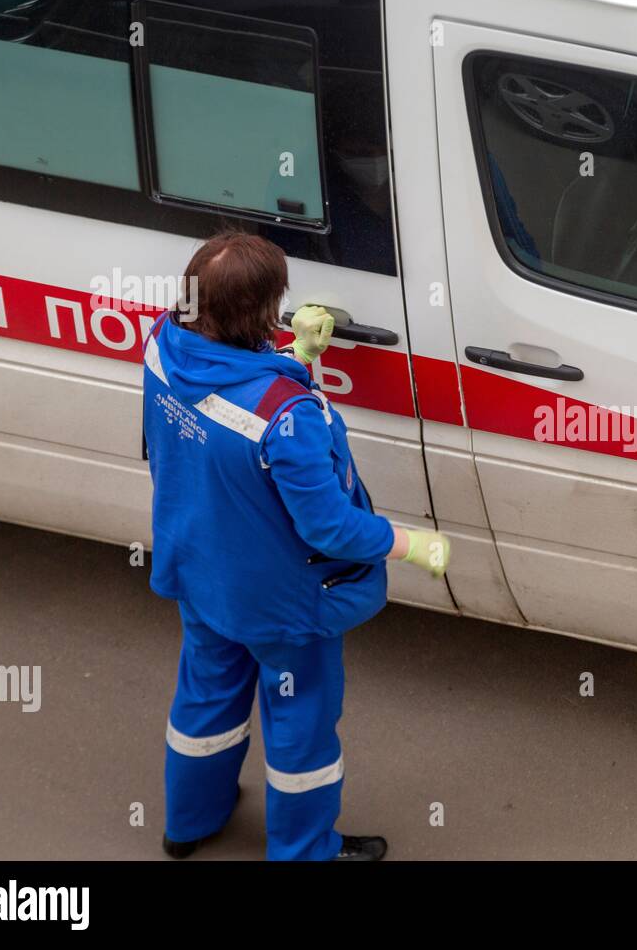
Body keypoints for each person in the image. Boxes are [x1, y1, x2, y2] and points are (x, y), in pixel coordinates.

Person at [141, 232, 450, 861]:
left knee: (206, 696)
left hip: (200, 572)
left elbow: (226, 404)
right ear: (261, 312)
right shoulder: (287, 415)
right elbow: (330, 527)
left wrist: (294, 357)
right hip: (280, 604)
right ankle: (306, 851)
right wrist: (409, 543)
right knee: (299, 727)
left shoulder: (163, 347)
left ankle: (190, 822)